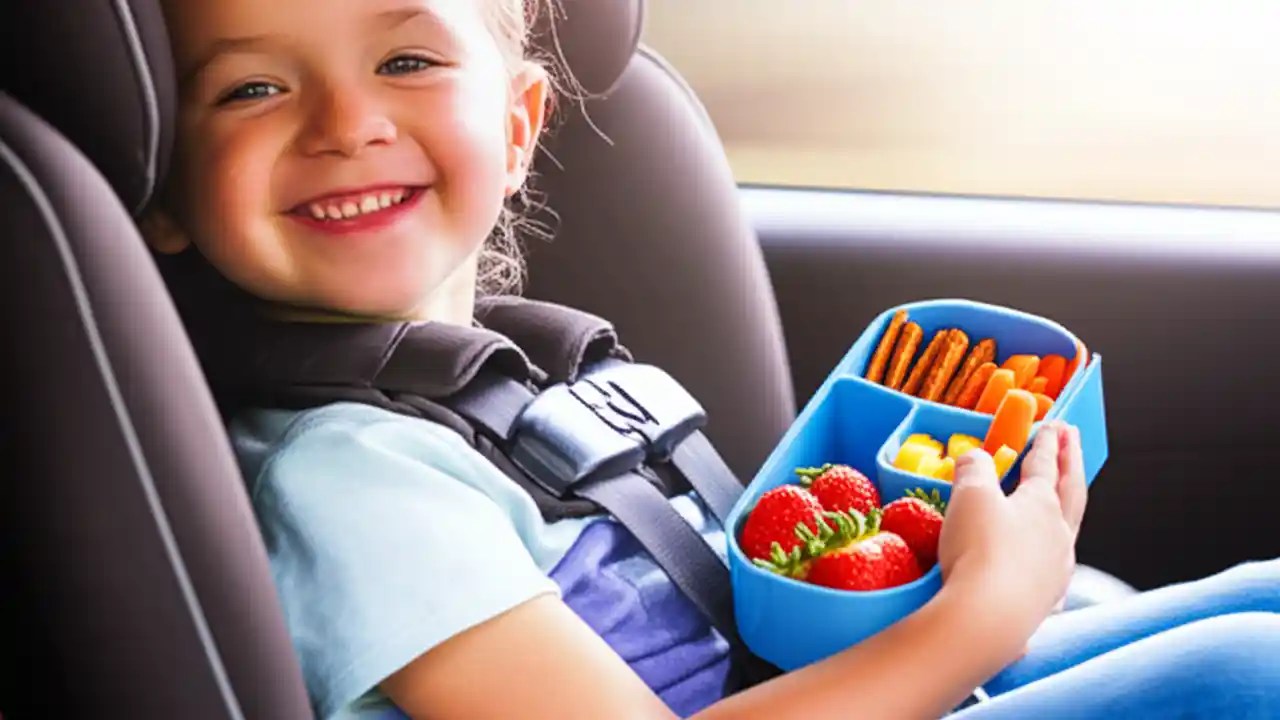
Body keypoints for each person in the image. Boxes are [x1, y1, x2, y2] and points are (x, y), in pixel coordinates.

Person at [141, 0, 1280, 718]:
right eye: (252, 87)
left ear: (518, 126)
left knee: (1258, 603)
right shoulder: (348, 479)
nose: (346, 122)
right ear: (169, 189)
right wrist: (977, 617)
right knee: (1243, 675)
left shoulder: (507, 386)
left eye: (405, 60)